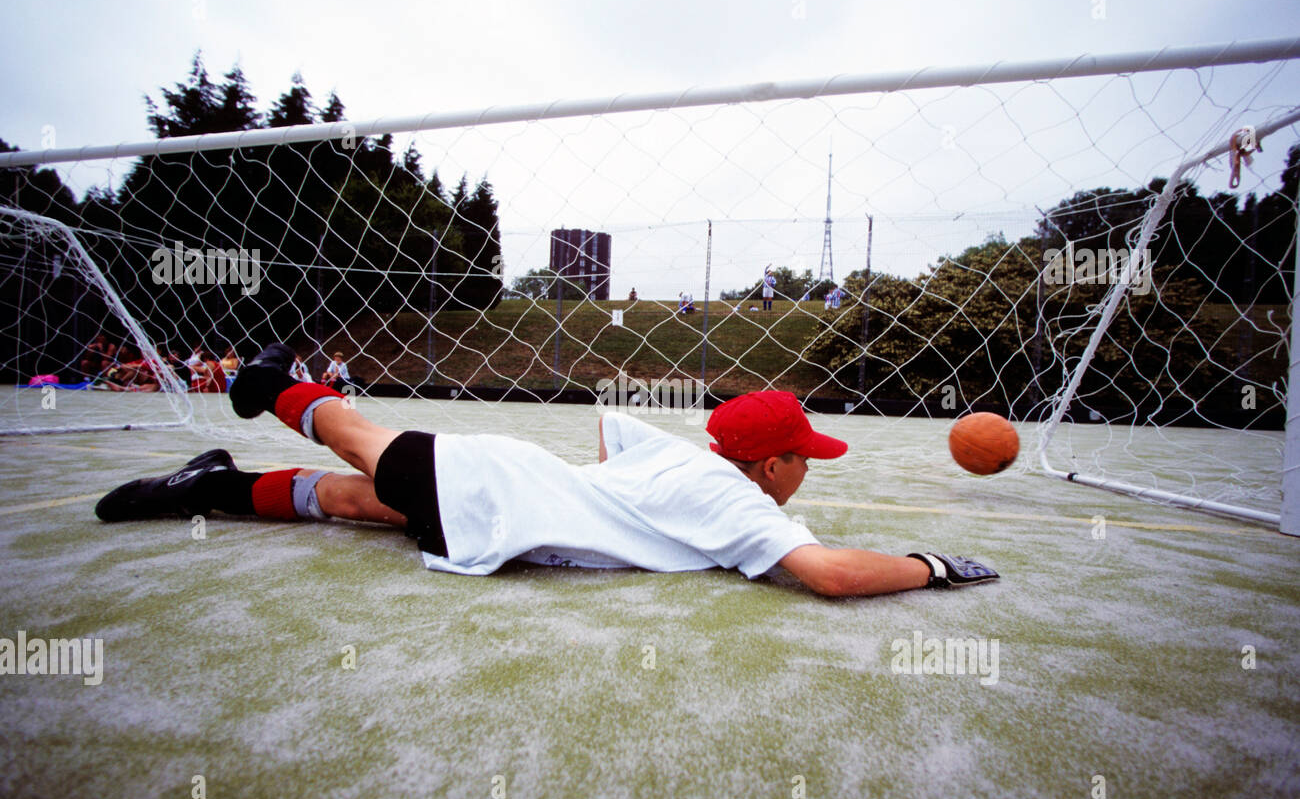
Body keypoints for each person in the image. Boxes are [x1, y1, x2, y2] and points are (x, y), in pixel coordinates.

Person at [94, 342, 998, 597]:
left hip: (501, 503)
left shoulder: (689, 457)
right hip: (499, 490)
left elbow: (613, 430)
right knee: (359, 448)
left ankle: (210, 484)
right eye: (807, 459)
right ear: (776, 462)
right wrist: (931, 566)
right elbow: (831, 576)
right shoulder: (746, 508)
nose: (811, 474)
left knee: (357, 502)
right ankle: (282, 386)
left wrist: (606, 501)